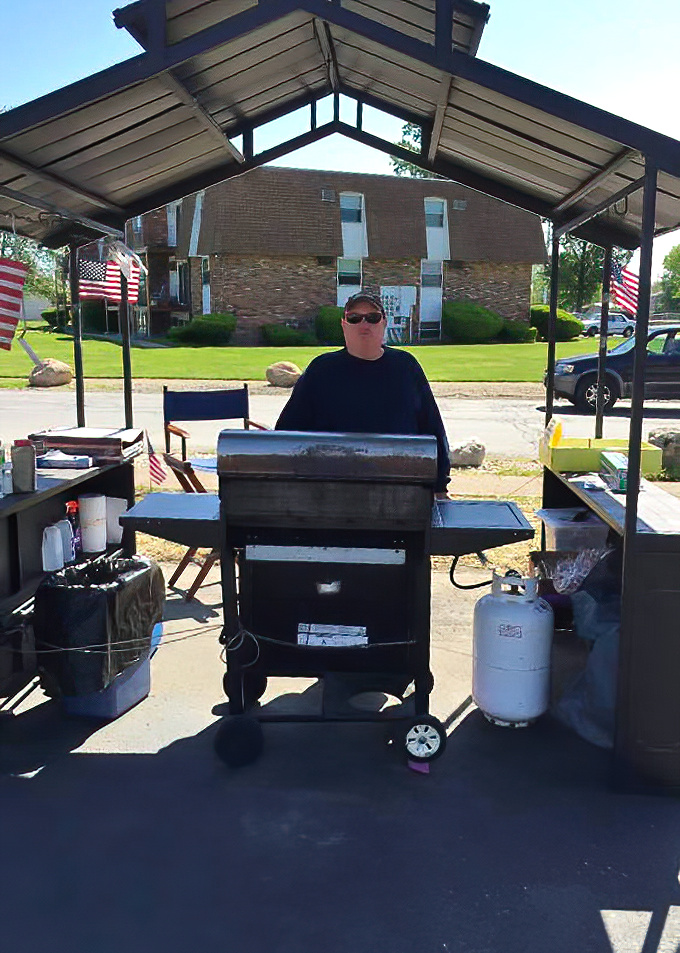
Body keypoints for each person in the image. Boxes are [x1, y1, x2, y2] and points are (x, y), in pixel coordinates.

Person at [275, 291, 450, 494]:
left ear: (384, 323)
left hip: (400, 488)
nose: (364, 324)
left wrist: (440, 486)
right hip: (333, 489)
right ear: (344, 325)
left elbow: (432, 427)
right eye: (354, 318)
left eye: (372, 317)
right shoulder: (321, 370)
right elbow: (288, 433)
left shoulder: (406, 367)